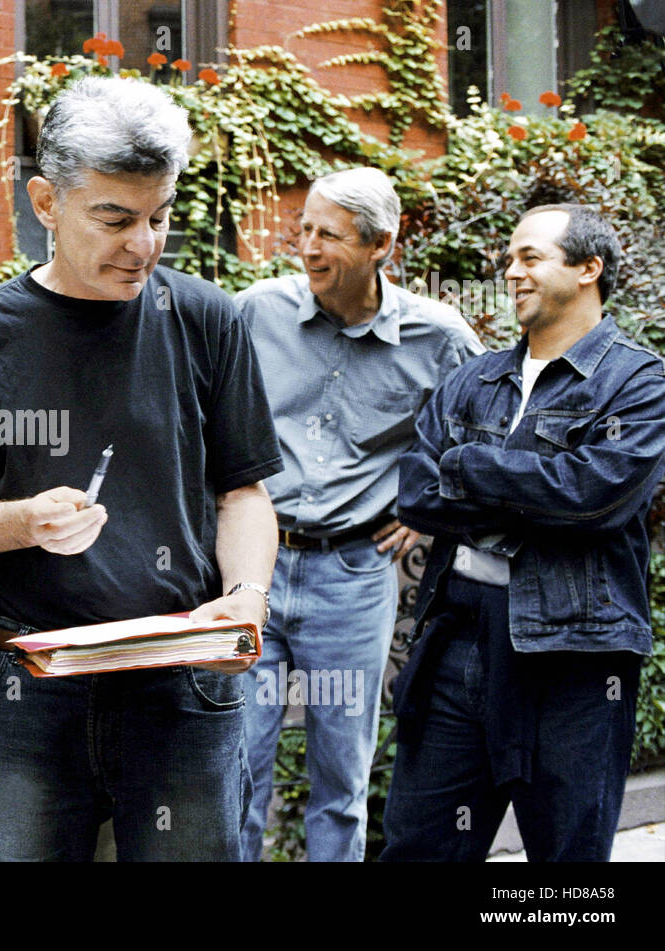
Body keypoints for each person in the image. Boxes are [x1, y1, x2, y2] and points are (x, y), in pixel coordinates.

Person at [0, 75, 283, 861]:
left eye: (158, 217)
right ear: (45, 202)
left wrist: (247, 597)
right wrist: (21, 521)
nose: (144, 244)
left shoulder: (209, 319)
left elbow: (244, 492)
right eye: (115, 218)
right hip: (34, 679)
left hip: (185, 677)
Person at [383, 204, 665, 861]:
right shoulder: (474, 378)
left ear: (588, 268)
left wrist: (469, 464)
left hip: (576, 656)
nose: (510, 272)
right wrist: (535, 490)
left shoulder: (640, 381)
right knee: (420, 848)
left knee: (567, 864)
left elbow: (594, 497)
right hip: (458, 641)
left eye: (530, 257)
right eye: (508, 258)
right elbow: (418, 492)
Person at [234, 167, 483, 862]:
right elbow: (197, 413)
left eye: (329, 235)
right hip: (253, 565)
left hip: (352, 575)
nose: (308, 247)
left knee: (340, 780)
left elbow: (488, 429)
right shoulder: (257, 310)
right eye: (304, 229)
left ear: (381, 245)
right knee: (239, 769)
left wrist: (432, 509)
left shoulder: (438, 336)